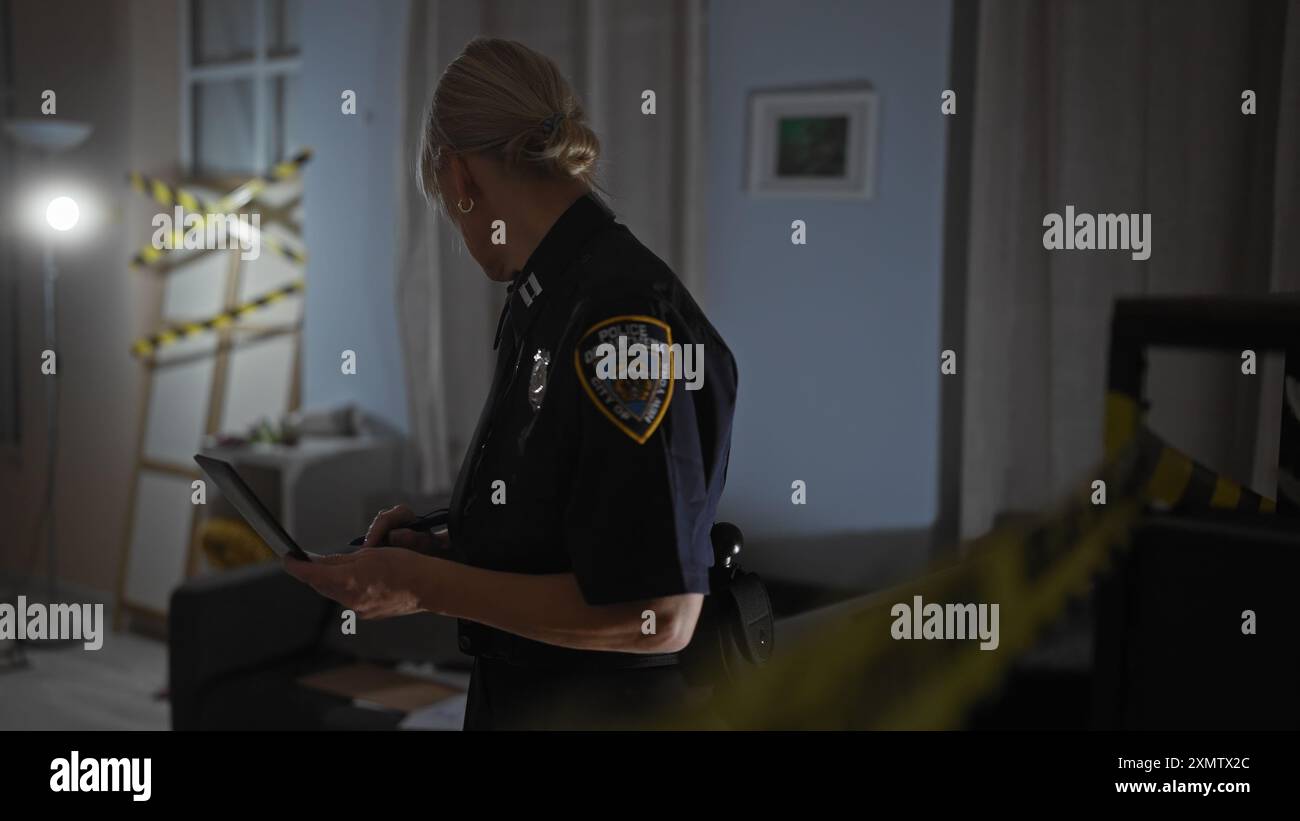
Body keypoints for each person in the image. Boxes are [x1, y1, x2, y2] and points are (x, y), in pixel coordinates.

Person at [285, 36, 738, 730]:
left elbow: (658, 615)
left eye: (447, 206)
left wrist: (426, 587)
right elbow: (571, 531)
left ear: (460, 177)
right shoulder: (549, 299)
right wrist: (449, 551)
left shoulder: (622, 320)